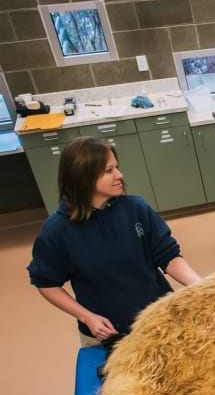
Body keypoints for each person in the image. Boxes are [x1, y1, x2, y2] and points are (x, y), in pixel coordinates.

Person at [27, 137, 201, 345]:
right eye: (109, 171)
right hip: (109, 334)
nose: (120, 175)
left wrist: (203, 287)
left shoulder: (136, 209)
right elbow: (46, 283)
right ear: (83, 177)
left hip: (160, 320)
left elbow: (168, 256)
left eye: (116, 168)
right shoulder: (57, 231)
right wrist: (87, 317)